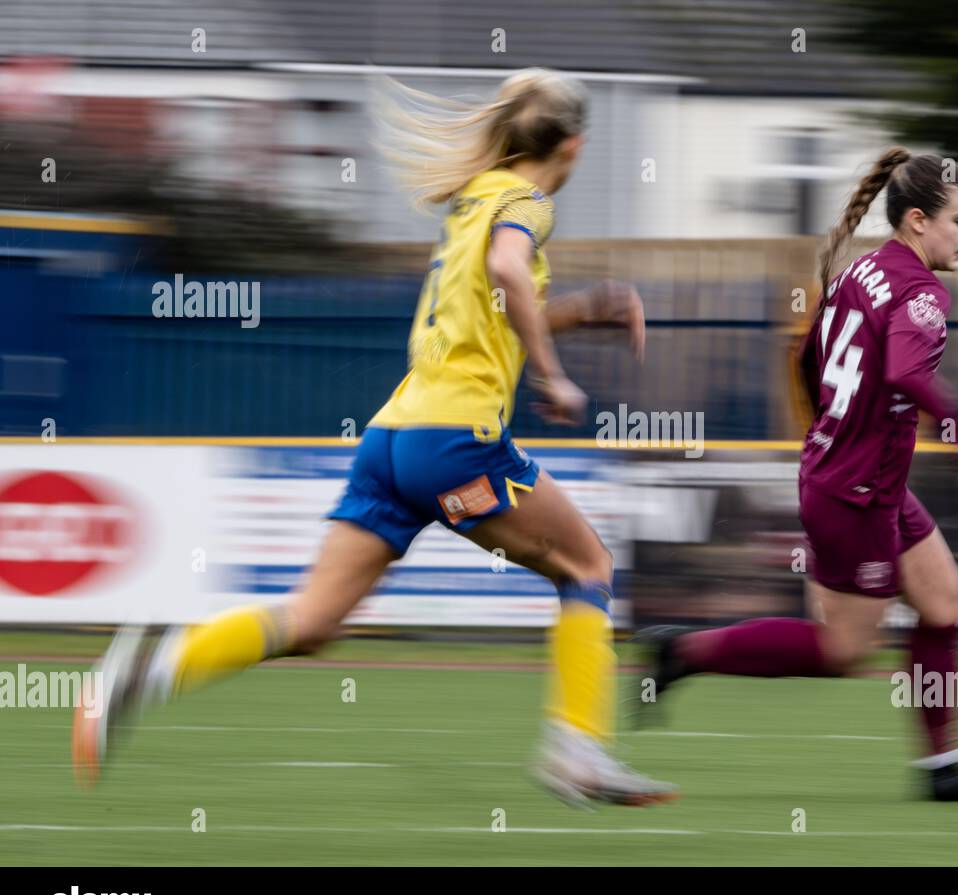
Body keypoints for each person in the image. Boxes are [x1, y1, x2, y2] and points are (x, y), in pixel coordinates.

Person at [74, 68, 676, 809]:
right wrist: (553, 378)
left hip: (393, 440)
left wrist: (580, 311)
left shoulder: (473, 200)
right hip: (458, 442)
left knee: (312, 621)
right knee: (587, 564)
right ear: (576, 146)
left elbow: (491, 310)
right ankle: (576, 754)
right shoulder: (526, 201)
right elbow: (507, 271)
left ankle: (145, 670)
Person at [637, 147, 958, 801]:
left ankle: (946, 770)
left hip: (860, 481)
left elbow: (811, 353)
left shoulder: (862, 270)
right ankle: (682, 652)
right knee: (842, 651)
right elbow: (906, 373)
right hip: (854, 494)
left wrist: (839, 433)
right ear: (915, 221)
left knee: (944, 601)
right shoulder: (923, 290)